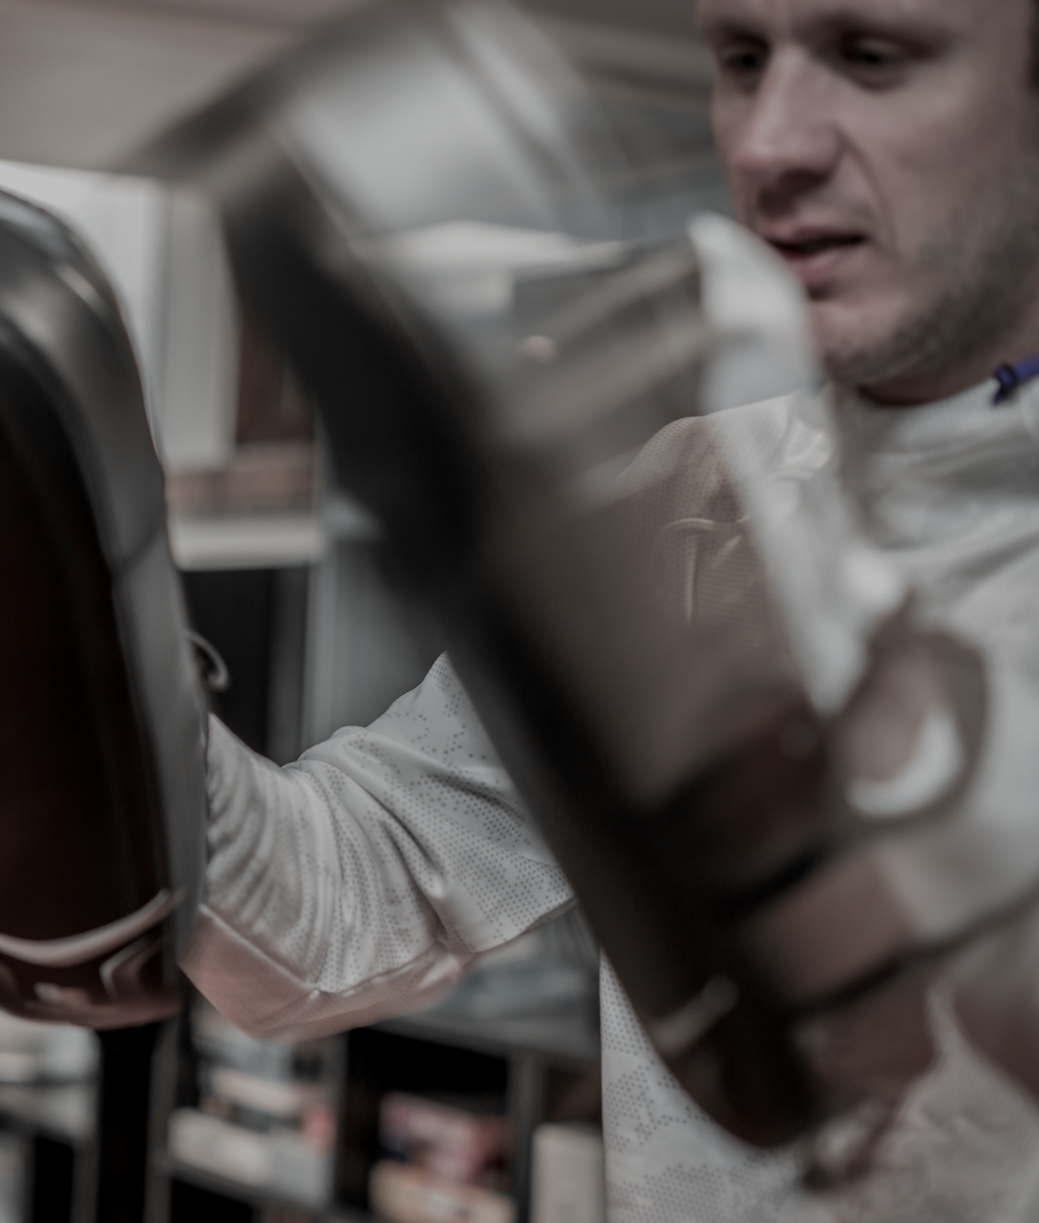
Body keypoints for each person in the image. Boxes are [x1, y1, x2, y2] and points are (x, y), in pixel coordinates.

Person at [182, 0, 1039, 1218]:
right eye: (744, 60)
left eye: (871, 55)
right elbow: (359, 897)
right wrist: (108, 693)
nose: (769, 144)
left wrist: (836, 675)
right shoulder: (696, 490)